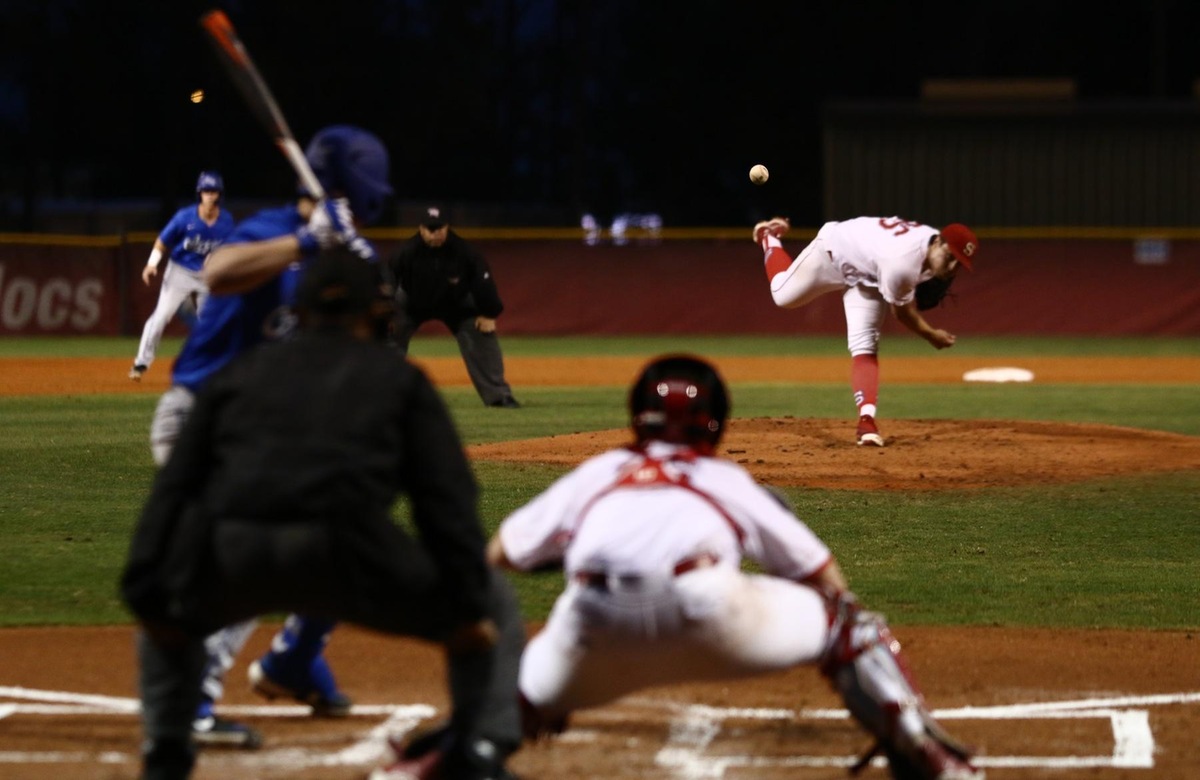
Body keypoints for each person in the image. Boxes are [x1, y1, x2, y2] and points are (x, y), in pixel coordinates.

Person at [121, 247, 525, 780]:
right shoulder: (400, 382)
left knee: (164, 619)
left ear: (299, 313)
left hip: (236, 555)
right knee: (493, 599)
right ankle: (480, 754)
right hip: (350, 552)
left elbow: (176, 489)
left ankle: (166, 757)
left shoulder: (240, 374)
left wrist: (146, 586)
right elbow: (446, 504)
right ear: (378, 314)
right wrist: (465, 609)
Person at [484, 354, 984, 780]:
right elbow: (823, 575)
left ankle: (440, 760)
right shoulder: (723, 477)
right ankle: (928, 753)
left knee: (506, 700)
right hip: (710, 611)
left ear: (638, 414)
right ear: (715, 420)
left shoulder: (600, 472)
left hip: (591, 626)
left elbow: (501, 554)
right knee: (847, 625)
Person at [143, 125, 394, 749]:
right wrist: (305, 243)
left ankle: (294, 662)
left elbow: (368, 341)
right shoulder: (266, 231)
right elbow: (219, 271)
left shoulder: (347, 254)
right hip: (203, 421)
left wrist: (361, 278)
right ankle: (189, 704)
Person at [753, 216, 980, 447]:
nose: (952, 267)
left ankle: (867, 423)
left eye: (958, 264)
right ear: (938, 241)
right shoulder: (901, 263)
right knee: (782, 295)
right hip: (831, 253)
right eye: (950, 258)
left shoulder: (931, 247)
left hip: (868, 275)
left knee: (866, 346)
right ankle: (770, 237)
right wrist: (932, 335)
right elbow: (902, 313)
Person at [384, 205, 520, 408]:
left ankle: (498, 396)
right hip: (412, 303)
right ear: (421, 229)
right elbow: (388, 281)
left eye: (439, 228)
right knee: (386, 334)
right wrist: (386, 313)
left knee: (480, 332)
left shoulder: (464, 251)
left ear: (447, 227)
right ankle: (384, 396)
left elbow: (483, 281)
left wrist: (488, 313)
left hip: (456, 304)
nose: (435, 233)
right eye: (430, 229)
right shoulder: (406, 251)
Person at [129, 171, 234, 381]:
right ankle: (141, 363)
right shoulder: (185, 218)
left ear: (219, 194)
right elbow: (162, 241)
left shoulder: (227, 222)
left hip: (207, 276)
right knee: (161, 316)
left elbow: (233, 247)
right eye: (206, 191)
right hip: (180, 272)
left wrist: (219, 260)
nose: (210, 195)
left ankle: (213, 366)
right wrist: (151, 265)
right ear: (199, 193)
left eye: (214, 191)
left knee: (211, 322)